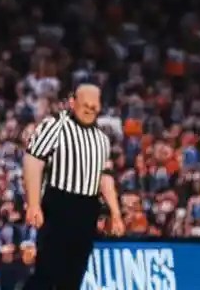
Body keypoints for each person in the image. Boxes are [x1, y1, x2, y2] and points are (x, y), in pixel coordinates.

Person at [22, 85, 124, 290]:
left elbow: (105, 177)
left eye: (94, 107)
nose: (89, 110)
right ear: (72, 102)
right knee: (47, 271)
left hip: (87, 208)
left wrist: (116, 213)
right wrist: (33, 203)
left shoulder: (102, 139)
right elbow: (33, 159)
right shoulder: (55, 126)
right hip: (59, 202)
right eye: (85, 105)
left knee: (74, 274)